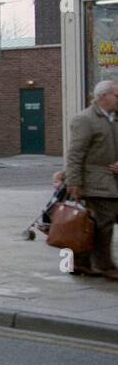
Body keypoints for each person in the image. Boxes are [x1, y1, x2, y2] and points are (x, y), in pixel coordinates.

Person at [65, 79, 118, 279]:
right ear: (103, 97)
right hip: (95, 182)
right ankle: (104, 265)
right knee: (103, 223)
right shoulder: (85, 119)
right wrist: (74, 183)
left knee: (93, 224)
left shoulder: (114, 118)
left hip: (111, 182)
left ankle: (81, 262)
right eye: (117, 95)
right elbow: (75, 154)